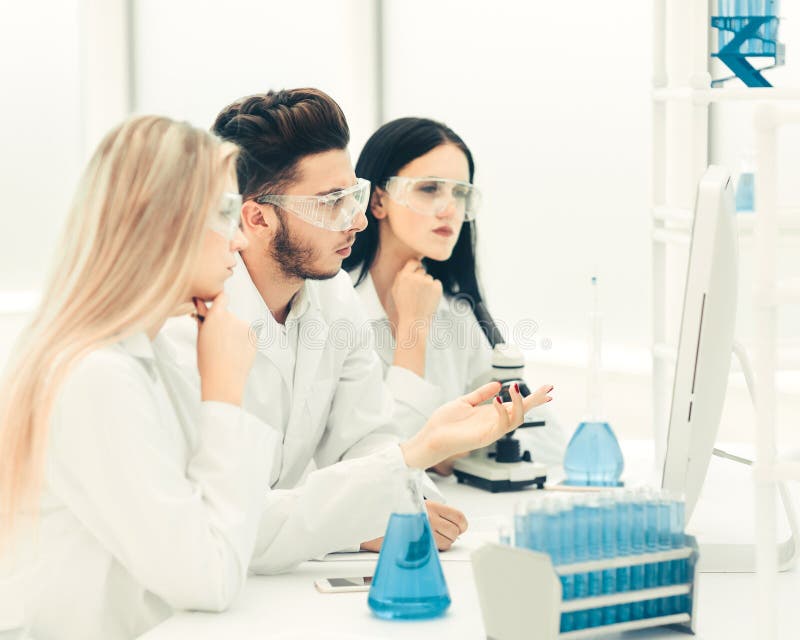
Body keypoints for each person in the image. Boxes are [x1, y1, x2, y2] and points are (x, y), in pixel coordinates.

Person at [0, 114, 549, 640]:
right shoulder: (105, 375)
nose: (236, 238)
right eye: (222, 214)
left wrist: (412, 459)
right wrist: (225, 396)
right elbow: (213, 566)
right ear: (163, 230)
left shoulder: (148, 354)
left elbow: (247, 516)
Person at [161, 88, 553, 573]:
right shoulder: (185, 326)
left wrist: (411, 502)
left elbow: (366, 437)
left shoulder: (332, 295)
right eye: (331, 203)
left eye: (353, 196)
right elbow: (227, 517)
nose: (358, 220)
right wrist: (359, 517)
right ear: (257, 217)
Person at [344, 117, 566, 474]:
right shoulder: (335, 307)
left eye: (460, 193)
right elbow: (384, 463)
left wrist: (457, 448)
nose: (449, 208)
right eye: (429, 189)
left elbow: (548, 442)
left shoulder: (456, 310)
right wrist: (413, 329)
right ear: (378, 201)